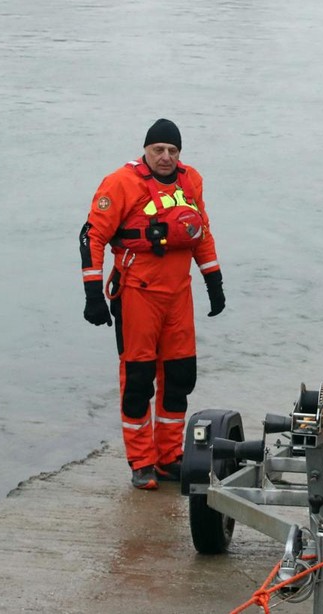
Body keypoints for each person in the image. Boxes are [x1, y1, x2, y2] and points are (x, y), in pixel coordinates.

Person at [78, 118, 225, 490]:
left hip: (178, 295)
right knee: (139, 381)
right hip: (138, 292)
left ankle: (169, 458)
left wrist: (214, 281)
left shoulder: (191, 181)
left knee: (180, 379)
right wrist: (92, 293)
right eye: (159, 149)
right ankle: (141, 461)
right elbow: (91, 237)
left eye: (173, 151)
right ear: (145, 150)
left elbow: (200, 233)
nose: (166, 157)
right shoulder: (121, 183)